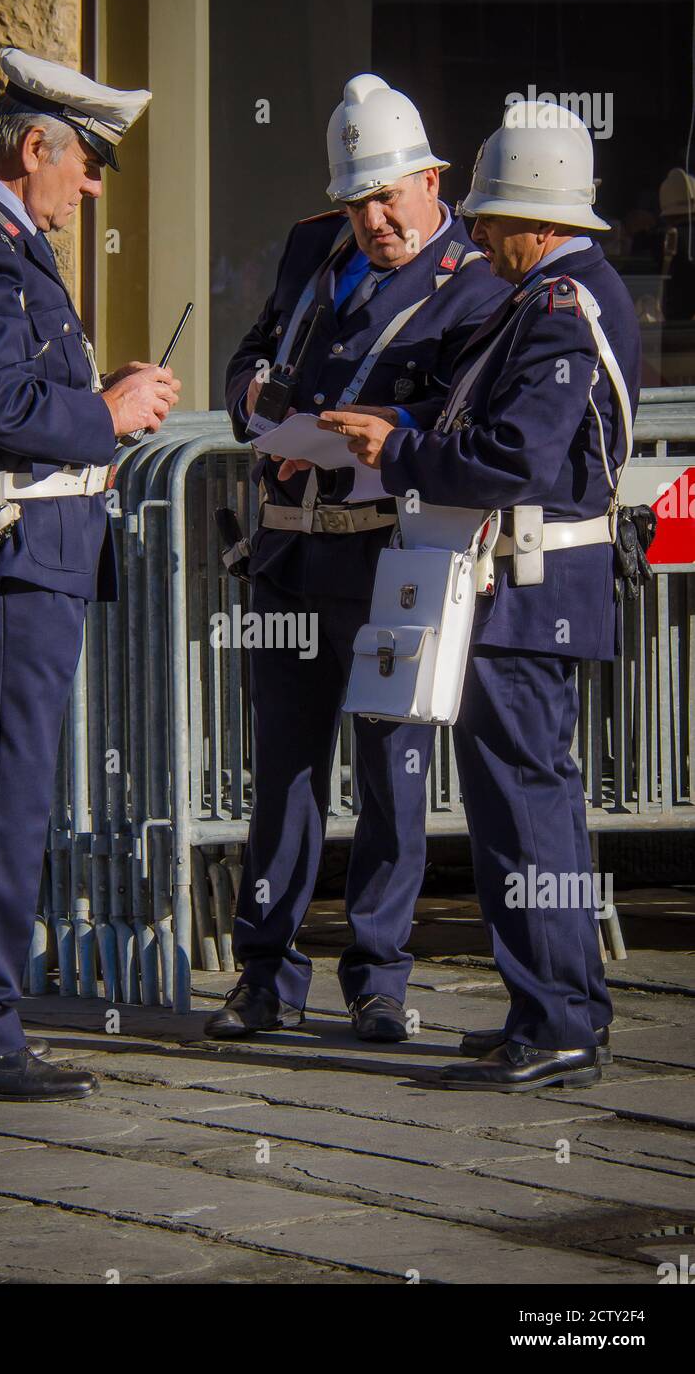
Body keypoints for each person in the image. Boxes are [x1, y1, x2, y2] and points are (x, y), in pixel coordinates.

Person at [322, 101, 641, 1090]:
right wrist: (405, 425)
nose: (481, 233)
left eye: (492, 217)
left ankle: (555, 1023)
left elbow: (513, 457)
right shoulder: (549, 297)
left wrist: (400, 451)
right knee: (527, 803)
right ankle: (559, 1007)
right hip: (526, 589)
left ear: (535, 219)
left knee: (524, 806)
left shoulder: (557, 306)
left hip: (529, 591)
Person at [0, 47, 180, 1102]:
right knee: (3, 794)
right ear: (36, 146)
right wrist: (107, 412)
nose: (92, 187)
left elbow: (9, 394)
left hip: (23, 549)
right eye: (87, 163)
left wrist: (100, 398)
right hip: (17, 554)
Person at [205, 75, 508, 1044]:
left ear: (431, 180)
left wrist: (374, 428)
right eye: (355, 202)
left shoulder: (479, 279)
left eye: (386, 197)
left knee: (392, 772)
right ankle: (264, 973)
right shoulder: (312, 247)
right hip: (292, 549)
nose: (373, 220)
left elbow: (464, 409)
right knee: (283, 776)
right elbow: (253, 353)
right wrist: (257, 402)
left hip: (392, 553)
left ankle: (378, 977)